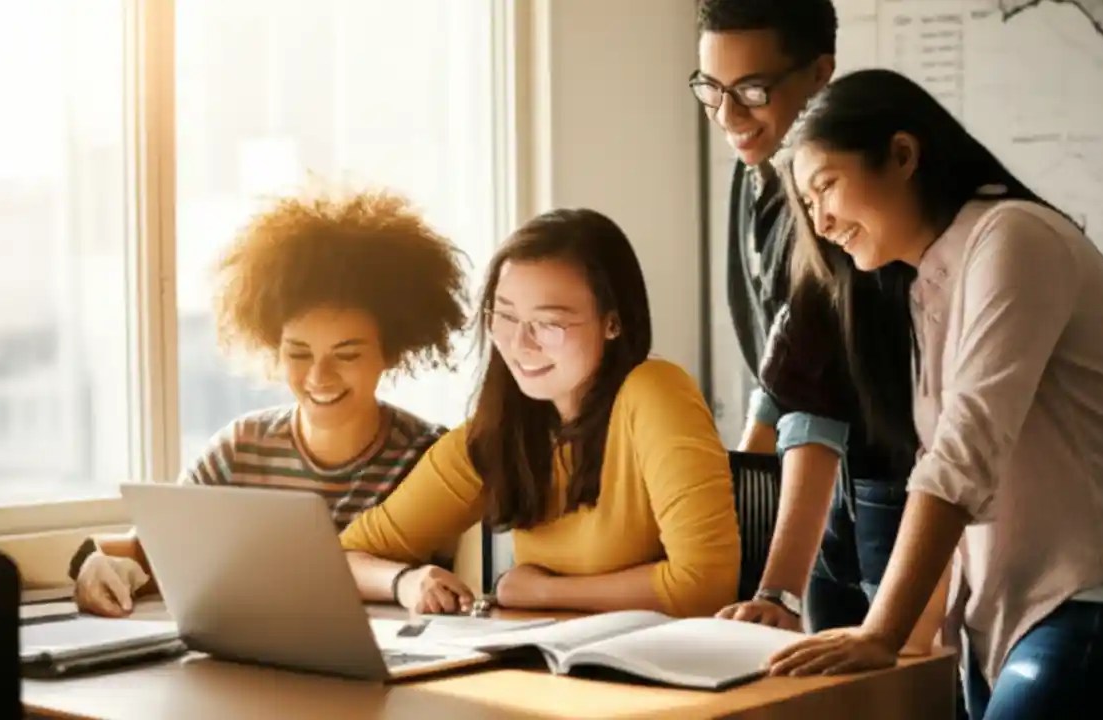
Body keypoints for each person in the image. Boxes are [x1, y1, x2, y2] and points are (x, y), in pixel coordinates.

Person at [768, 68, 1103, 719]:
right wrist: (900, 641)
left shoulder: (1014, 238)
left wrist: (881, 632)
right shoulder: (929, 283)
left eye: (826, 187)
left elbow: (961, 452)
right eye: (807, 204)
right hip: (1015, 618)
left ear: (901, 156)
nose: (822, 220)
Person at [69, 190, 467, 617]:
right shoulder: (241, 448)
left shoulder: (428, 458)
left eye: (347, 355)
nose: (319, 377)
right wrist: (94, 565)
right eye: (298, 354)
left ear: (390, 351)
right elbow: (148, 546)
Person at [339, 208, 741, 618]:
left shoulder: (655, 391)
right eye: (506, 316)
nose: (519, 344)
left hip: (661, 669)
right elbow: (343, 558)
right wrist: (405, 581)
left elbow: (705, 585)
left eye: (549, 323)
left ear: (613, 323)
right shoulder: (500, 432)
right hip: (544, 668)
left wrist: (540, 592)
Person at [692, 0, 915, 634]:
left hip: (881, 487)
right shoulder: (756, 167)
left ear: (821, 73)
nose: (729, 118)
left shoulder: (841, 197)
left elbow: (815, 394)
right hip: (809, 483)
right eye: (711, 90)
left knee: (895, 686)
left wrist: (776, 588)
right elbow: (783, 365)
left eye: (752, 91)